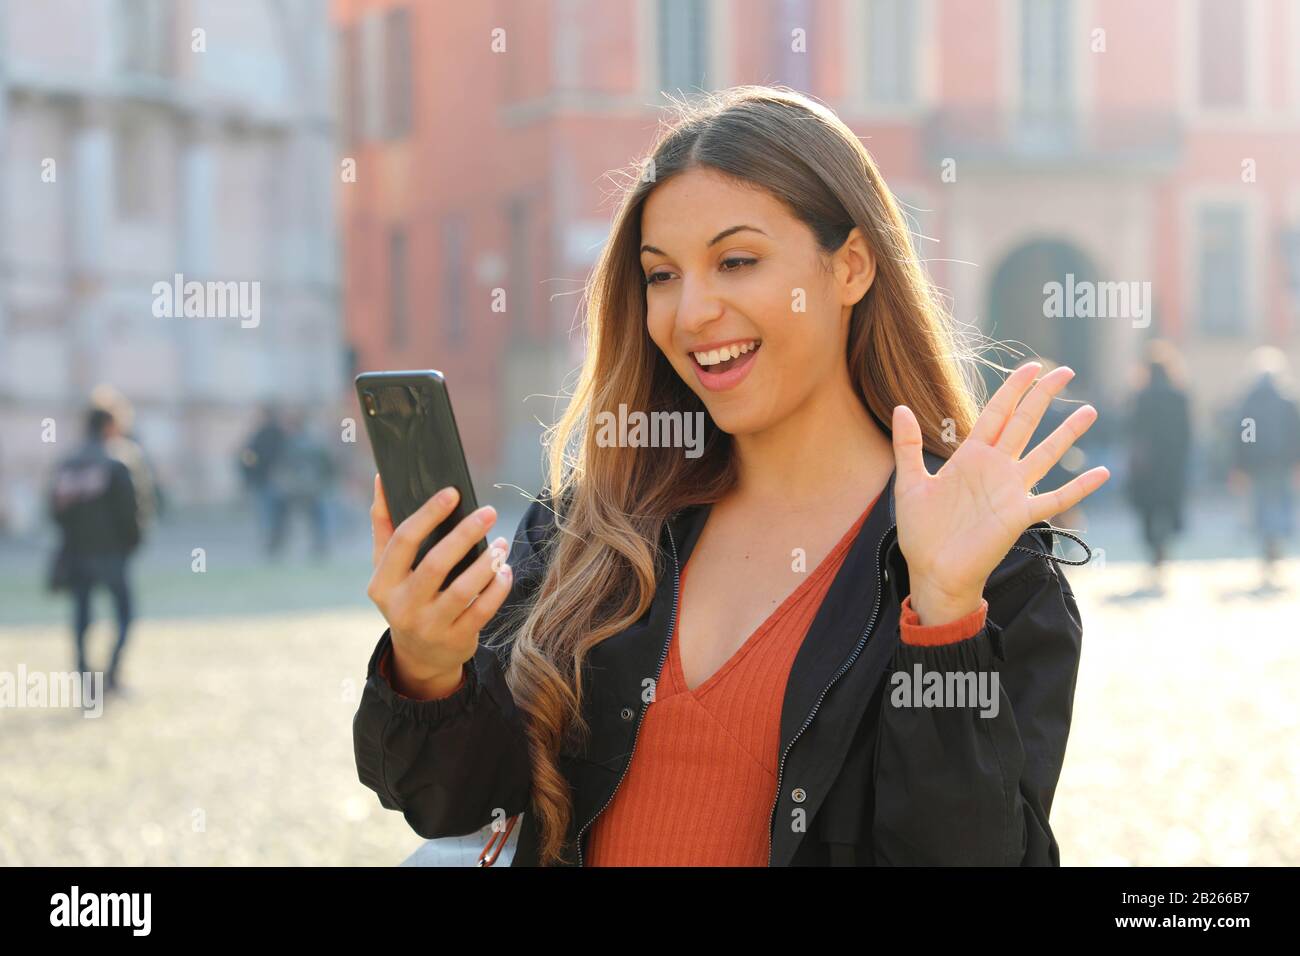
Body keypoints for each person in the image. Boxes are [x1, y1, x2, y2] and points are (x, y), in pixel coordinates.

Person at [353, 86, 1108, 867]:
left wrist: (944, 615)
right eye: (661, 275)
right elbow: (462, 803)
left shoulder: (995, 572)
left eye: (736, 261)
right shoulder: (592, 529)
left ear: (850, 266)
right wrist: (428, 662)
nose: (690, 312)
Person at [48, 406, 143, 696]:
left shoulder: (68, 463)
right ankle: (111, 676)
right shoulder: (117, 462)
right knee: (125, 615)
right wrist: (131, 542)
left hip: (77, 551)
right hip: (111, 552)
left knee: (82, 618)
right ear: (109, 426)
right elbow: (130, 511)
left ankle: (86, 680)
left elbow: (54, 509)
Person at [1123, 341, 1192, 590]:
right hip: (1171, 463)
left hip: (1148, 464)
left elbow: (1131, 430)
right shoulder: (1179, 396)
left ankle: (1154, 547)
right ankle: (1163, 546)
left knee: (1148, 509)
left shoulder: (1142, 396)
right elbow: (1187, 433)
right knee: (1168, 505)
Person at [1228, 346, 1300, 586]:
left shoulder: (1249, 402)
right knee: (1279, 502)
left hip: (1257, 464)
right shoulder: (1287, 402)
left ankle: (1267, 544)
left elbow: (1242, 436)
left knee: (1261, 504)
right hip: (1280, 462)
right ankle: (1274, 543)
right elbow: (1294, 436)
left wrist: (1240, 465)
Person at [267, 409, 334, 560]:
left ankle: (277, 545)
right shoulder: (315, 442)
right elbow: (327, 464)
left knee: (284, 517)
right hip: (311, 487)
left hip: (294, 488)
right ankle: (319, 546)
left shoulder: (287, 443)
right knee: (316, 519)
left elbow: (282, 465)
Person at [238, 404, 287, 556]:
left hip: (267, 480)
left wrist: (250, 464)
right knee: (272, 515)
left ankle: (272, 543)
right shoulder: (276, 433)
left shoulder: (266, 434)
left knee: (268, 514)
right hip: (268, 480)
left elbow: (250, 456)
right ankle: (273, 543)